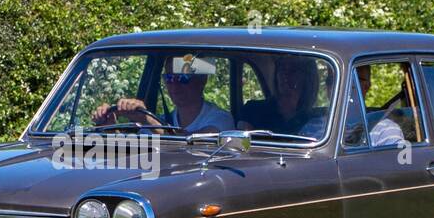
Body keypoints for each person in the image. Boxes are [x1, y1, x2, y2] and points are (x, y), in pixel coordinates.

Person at [91, 55, 233, 133]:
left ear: (202, 81)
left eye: (183, 78)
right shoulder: (160, 123)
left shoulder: (221, 120)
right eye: (169, 78)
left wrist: (148, 119)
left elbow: (194, 145)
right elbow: (132, 159)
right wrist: (110, 127)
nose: (175, 85)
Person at [240, 55, 329, 138]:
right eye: (282, 69)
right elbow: (243, 146)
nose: (285, 75)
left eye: (293, 70)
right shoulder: (252, 110)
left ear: (307, 78)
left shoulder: (317, 119)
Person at [356, 64, 406, 147]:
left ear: (367, 86)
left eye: (354, 79)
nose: (335, 84)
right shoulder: (326, 127)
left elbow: (397, 158)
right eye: (330, 80)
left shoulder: (385, 129)